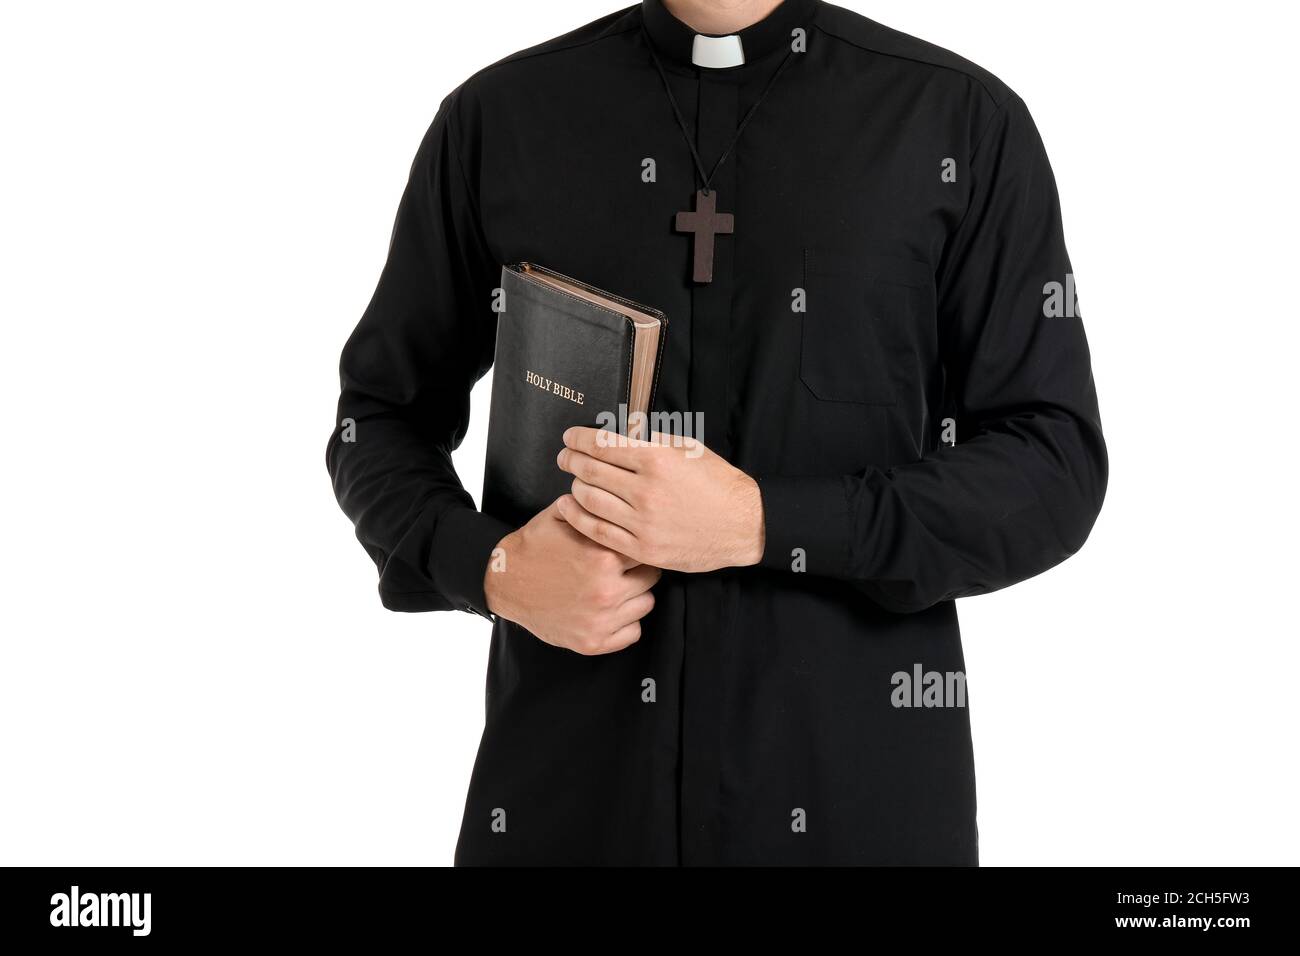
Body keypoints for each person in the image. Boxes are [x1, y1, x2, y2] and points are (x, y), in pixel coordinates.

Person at [326, 0, 1107, 865]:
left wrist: (765, 521)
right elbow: (379, 419)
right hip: (566, 806)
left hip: (854, 806)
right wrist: (493, 570)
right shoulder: (499, 118)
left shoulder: (959, 121)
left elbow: (1053, 464)